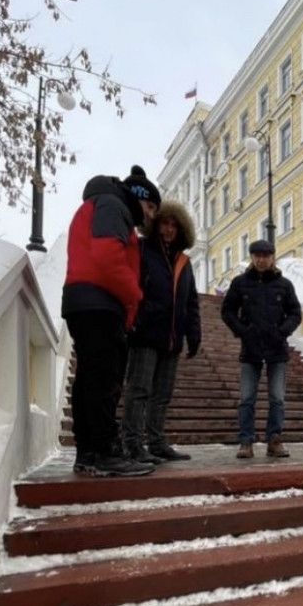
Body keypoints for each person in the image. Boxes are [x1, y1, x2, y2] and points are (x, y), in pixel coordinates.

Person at [62, 165, 163, 477]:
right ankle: (108, 452)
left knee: (90, 379)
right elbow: (107, 257)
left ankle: (89, 451)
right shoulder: (112, 205)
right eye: (149, 208)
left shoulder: (104, 204)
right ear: (138, 197)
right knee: (105, 381)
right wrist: (133, 295)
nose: (149, 217)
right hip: (100, 302)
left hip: (85, 301)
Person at [120, 199, 202, 464]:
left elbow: (191, 301)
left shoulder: (184, 262)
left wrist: (194, 334)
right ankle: (131, 443)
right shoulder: (142, 250)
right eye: (164, 223)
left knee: (162, 394)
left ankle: (156, 442)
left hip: (172, 338)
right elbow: (129, 284)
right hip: (145, 333)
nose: (168, 230)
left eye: (174, 226)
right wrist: (138, 317)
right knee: (139, 389)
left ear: (181, 230)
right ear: (155, 225)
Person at [221, 239, 302, 459]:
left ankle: (274, 440)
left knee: (277, 398)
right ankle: (246, 441)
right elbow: (227, 310)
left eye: (265, 255)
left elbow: (295, 313)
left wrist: (281, 332)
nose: (261, 259)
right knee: (247, 397)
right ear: (251, 257)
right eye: (256, 255)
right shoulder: (240, 283)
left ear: (272, 257)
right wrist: (243, 331)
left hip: (277, 349)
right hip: (250, 349)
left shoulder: (284, 285)